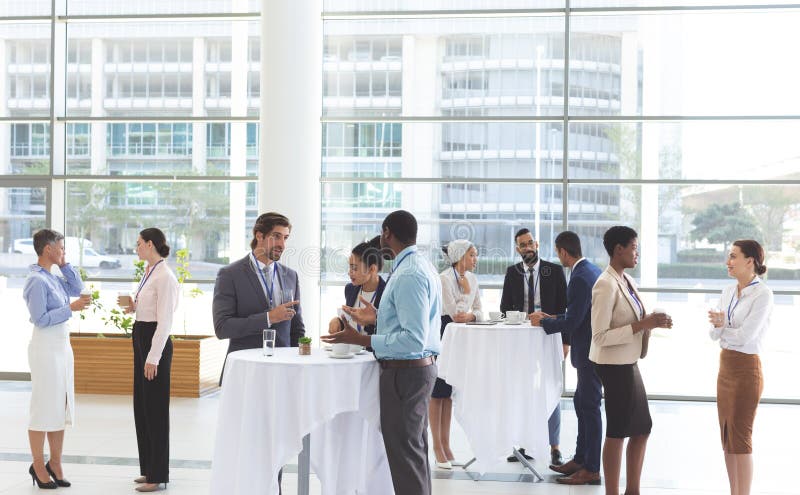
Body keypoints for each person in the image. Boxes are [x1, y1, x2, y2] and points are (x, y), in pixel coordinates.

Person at [322, 210, 441, 495]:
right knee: (413, 454)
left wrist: (361, 340)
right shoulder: (416, 265)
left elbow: (413, 340)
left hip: (405, 375)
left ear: (387, 233)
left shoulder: (409, 274)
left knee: (405, 458)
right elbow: (410, 323)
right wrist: (376, 318)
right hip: (414, 372)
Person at [212, 211, 304, 494]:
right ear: (259, 235)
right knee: (247, 444)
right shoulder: (230, 275)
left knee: (276, 444)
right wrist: (268, 317)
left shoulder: (290, 275)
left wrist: (308, 353)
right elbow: (222, 326)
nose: (282, 244)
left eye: (285, 238)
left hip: (282, 376)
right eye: (276, 236)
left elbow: (298, 327)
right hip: (247, 376)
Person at [590, 226, 672, 495]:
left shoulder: (625, 280)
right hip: (613, 366)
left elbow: (636, 319)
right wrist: (642, 325)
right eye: (634, 248)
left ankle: (632, 491)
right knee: (618, 430)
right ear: (619, 249)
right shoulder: (605, 284)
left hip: (628, 362)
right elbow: (600, 336)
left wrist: (653, 323)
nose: (637, 253)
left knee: (642, 428)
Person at [530, 231, 602, 485]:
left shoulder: (580, 277)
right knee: (583, 403)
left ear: (562, 251)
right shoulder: (590, 270)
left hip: (589, 353)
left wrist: (546, 321)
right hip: (591, 351)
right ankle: (581, 459)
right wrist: (551, 317)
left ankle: (592, 467)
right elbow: (576, 314)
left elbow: (574, 320)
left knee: (590, 407)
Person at [23, 229, 91, 489]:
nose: (64, 252)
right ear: (48, 248)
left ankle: (56, 462)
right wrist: (69, 309)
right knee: (43, 407)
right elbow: (40, 319)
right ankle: (38, 465)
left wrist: (65, 264)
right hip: (45, 348)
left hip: (63, 347)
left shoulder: (53, 277)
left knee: (60, 405)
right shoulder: (36, 281)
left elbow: (78, 288)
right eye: (61, 248)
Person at [707, 240, 772, 495]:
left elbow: (746, 337)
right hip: (725, 367)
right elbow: (714, 335)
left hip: (747, 370)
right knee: (727, 437)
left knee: (741, 439)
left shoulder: (763, 294)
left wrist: (723, 327)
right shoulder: (727, 291)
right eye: (728, 256)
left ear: (750, 261)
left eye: (733, 256)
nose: (728, 262)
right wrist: (722, 328)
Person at [500, 227, 567, 465]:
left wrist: (566, 341)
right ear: (517, 249)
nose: (527, 248)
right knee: (522, 391)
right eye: (522, 245)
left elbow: (565, 308)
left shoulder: (555, 271)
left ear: (536, 245)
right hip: (521, 340)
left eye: (530, 243)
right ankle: (523, 445)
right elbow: (503, 307)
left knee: (551, 389)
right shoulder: (512, 272)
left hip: (548, 336)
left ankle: (554, 447)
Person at [119, 228, 179, 493]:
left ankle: (158, 474)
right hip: (141, 334)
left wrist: (153, 357)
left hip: (155, 340)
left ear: (151, 244)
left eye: (139, 243)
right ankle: (148, 469)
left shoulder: (165, 276)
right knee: (142, 408)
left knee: (155, 410)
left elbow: (165, 321)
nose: (136, 248)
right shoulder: (150, 272)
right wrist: (133, 306)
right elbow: (149, 309)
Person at [431, 239, 482, 470]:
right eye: (472, 255)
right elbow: (455, 314)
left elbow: (479, 310)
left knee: (449, 391)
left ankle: (447, 445)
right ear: (460, 256)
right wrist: (468, 308)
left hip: (462, 338)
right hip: (444, 334)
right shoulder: (444, 279)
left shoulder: (473, 279)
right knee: (437, 391)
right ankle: (437, 446)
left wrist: (472, 316)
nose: (475, 259)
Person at [328, 239, 385, 337]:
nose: (349, 272)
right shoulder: (350, 289)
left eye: (354, 268)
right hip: (351, 351)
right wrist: (338, 322)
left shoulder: (387, 293)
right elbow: (351, 323)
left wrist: (373, 321)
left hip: (374, 351)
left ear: (372, 269)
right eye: (349, 267)